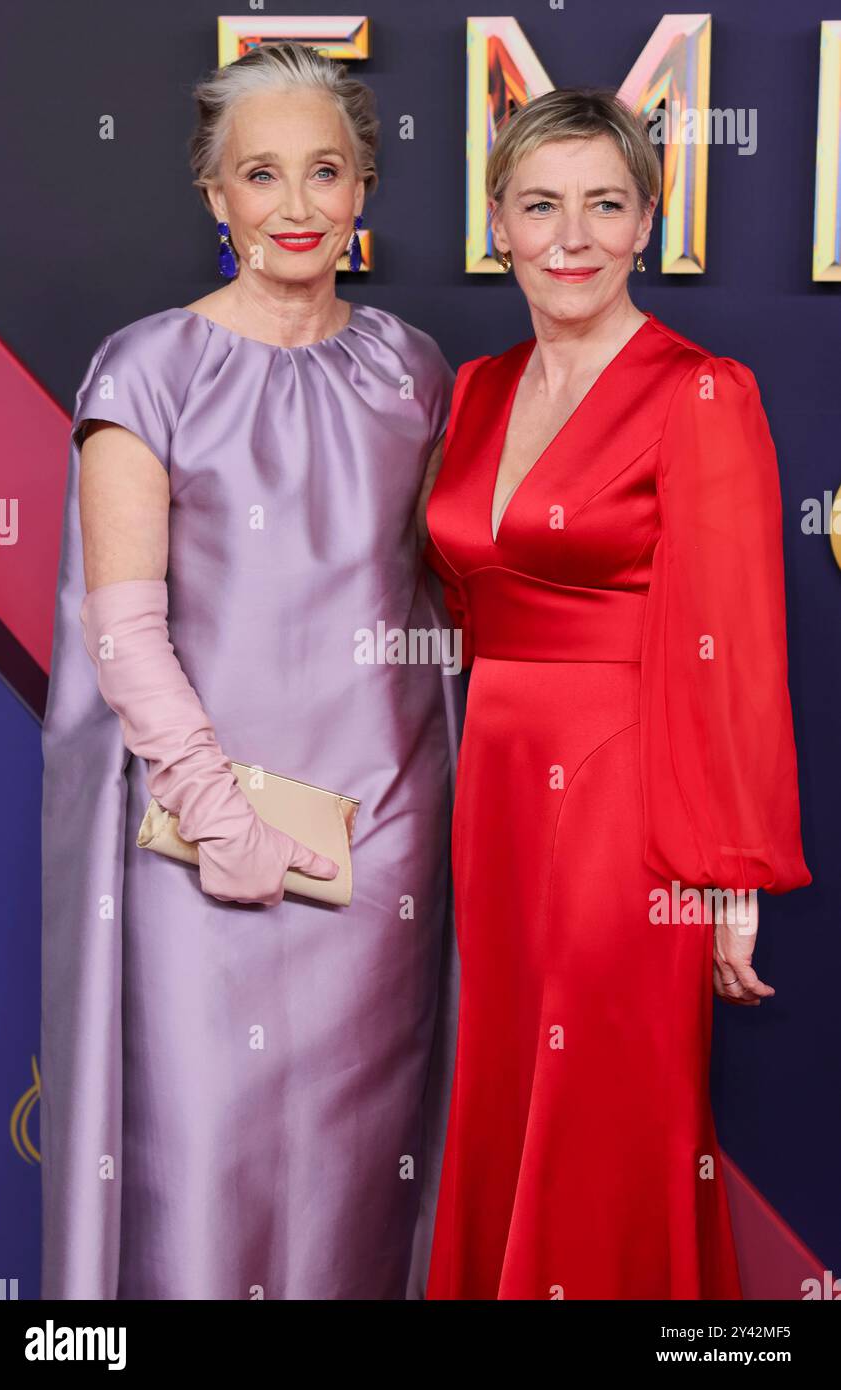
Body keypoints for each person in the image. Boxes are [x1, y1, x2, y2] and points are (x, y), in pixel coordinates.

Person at [40, 41, 462, 1300]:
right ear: (213, 197)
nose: (294, 207)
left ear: (362, 190)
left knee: (354, 1190)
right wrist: (223, 818)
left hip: (377, 854)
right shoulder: (147, 370)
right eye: (260, 175)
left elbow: (443, 605)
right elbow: (124, 634)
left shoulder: (411, 370)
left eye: (322, 172)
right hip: (193, 848)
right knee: (199, 1175)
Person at [421, 87, 811, 1300]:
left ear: (646, 219)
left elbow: (733, 637)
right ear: (496, 223)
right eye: (540, 205)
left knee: (599, 1089)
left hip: (625, 789)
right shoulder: (475, 391)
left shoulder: (699, 389)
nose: (571, 236)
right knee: (504, 1077)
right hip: (492, 778)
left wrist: (725, 865)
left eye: (603, 203)